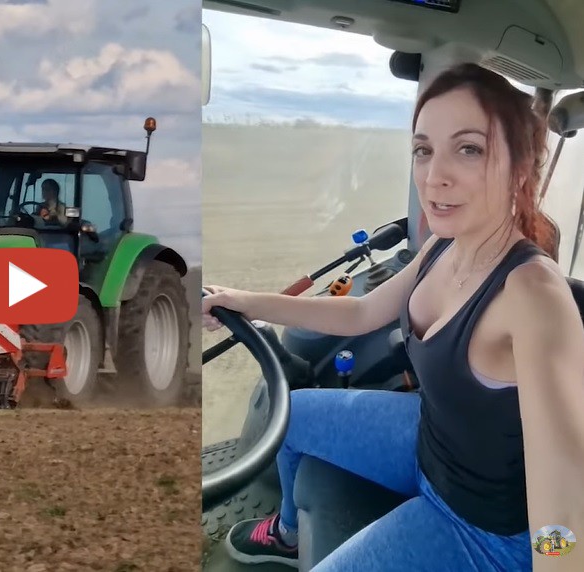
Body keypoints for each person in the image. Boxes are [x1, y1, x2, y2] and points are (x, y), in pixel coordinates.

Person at [203, 62, 584, 571]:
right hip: (426, 440)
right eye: (424, 150)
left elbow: (562, 498)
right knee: (288, 412)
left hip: (481, 528)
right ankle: (290, 534)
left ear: (519, 167)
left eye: (468, 149)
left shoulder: (534, 296)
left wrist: (556, 564)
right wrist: (247, 299)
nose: (434, 175)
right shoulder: (444, 246)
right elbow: (362, 312)